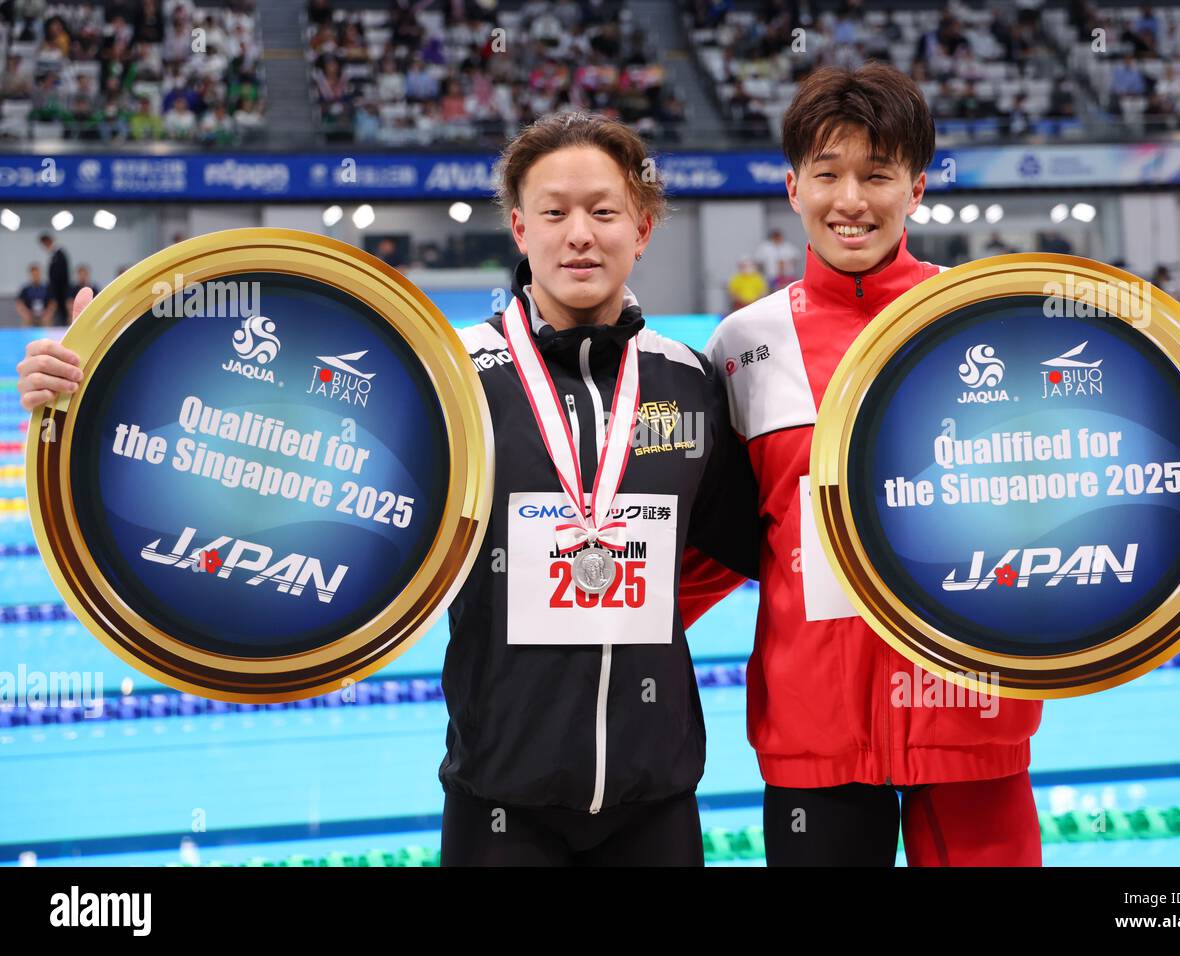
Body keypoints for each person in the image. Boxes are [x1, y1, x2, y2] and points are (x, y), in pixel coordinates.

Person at [15, 111, 762, 867]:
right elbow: (281, 446)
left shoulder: (687, 381)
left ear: (642, 228)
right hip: (500, 804)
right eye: (554, 212)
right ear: (518, 228)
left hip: (659, 801)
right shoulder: (445, 379)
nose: (580, 234)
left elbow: (748, 541)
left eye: (604, 212)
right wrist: (98, 382)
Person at [680, 62, 1180, 867]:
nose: (852, 200)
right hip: (813, 731)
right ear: (793, 188)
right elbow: (721, 543)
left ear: (918, 188)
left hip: (975, 715)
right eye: (828, 174)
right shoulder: (740, 350)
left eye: (879, 175)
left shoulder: (987, 318)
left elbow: (1081, 475)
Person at [38, 233, 70, 324]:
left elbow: (61, 275)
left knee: (62, 312)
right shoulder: (53, 255)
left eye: (44, 244)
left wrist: (55, 291)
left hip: (60, 290)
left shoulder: (60, 254)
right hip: (55, 290)